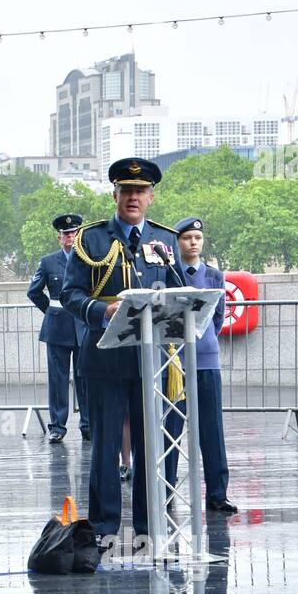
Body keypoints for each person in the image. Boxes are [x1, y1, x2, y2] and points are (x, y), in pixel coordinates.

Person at [59, 158, 182, 542]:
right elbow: (69, 294)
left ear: (151, 197)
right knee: (106, 445)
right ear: (115, 194)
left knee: (151, 443)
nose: (133, 197)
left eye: (140, 191)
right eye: (126, 191)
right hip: (103, 355)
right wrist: (100, 310)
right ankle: (104, 526)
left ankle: (150, 525)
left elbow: (177, 290)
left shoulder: (164, 241)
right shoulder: (92, 239)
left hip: (150, 358)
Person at [162, 217, 238, 513]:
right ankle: (166, 489)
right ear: (177, 242)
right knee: (170, 427)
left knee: (212, 429)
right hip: (174, 363)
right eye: (186, 238)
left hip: (206, 359)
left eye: (197, 237)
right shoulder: (168, 274)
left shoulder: (214, 276)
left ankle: (217, 494)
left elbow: (217, 317)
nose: (193, 243)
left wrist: (204, 341)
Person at [28, 213, 91, 444]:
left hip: (83, 325)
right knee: (58, 380)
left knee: (85, 377)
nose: (70, 237)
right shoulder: (48, 262)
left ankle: (88, 424)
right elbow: (33, 291)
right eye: (66, 234)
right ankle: (57, 426)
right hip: (57, 326)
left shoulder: (89, 259)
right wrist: (51, 311)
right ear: (59, 238)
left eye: (74, 233)